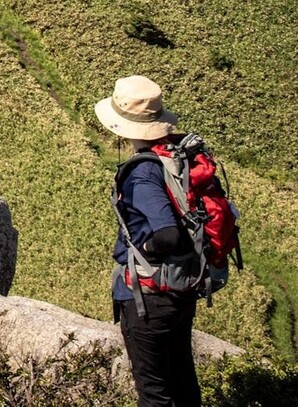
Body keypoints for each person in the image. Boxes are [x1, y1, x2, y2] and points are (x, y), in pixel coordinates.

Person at [95, 74, 202, 407]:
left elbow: (166, 232)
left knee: (154, 394)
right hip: (182, 288)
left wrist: (143, 254)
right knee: (183, 384)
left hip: (150, 296)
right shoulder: (176, 157)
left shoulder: (142, 173)